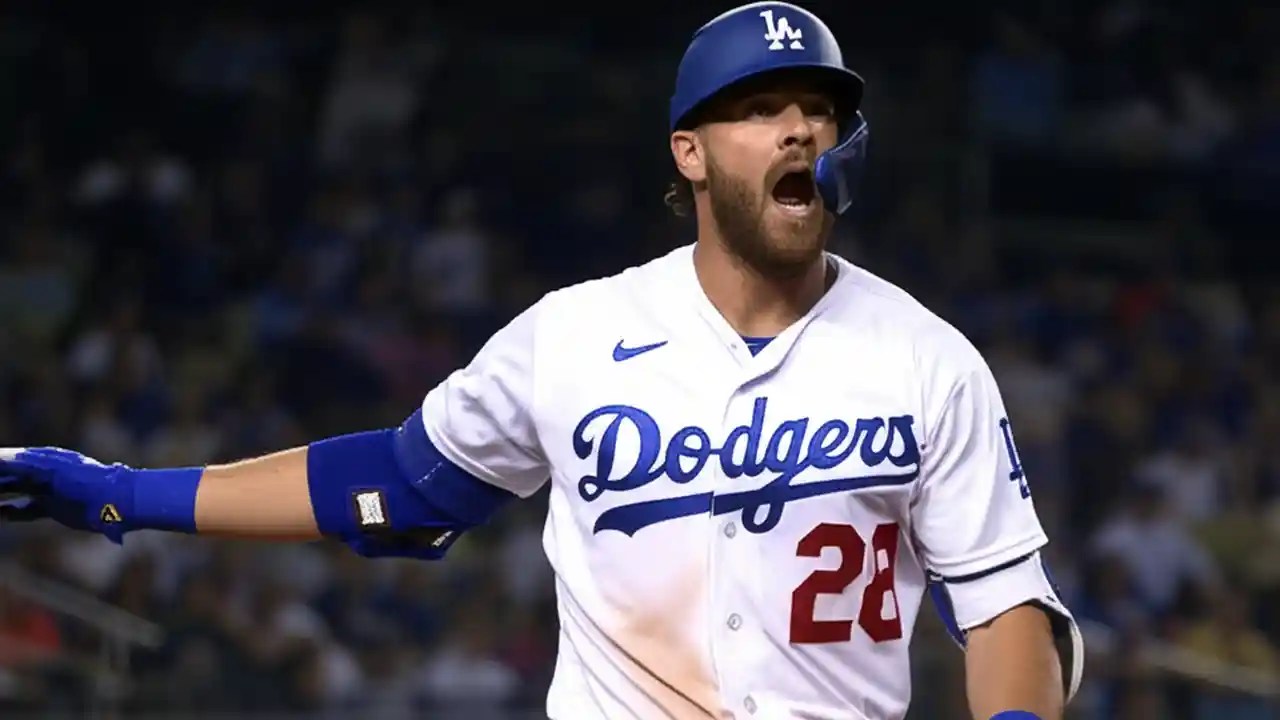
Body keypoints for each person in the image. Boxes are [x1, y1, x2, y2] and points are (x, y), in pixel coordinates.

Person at [0, 3, 1082, 718]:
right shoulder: (571, 334)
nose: (800, 128)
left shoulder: (926, 361)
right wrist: (123, 495)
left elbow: (1001, 609)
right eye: (760, 109)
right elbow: (390, 483)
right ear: (690, 154)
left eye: (819, 110)